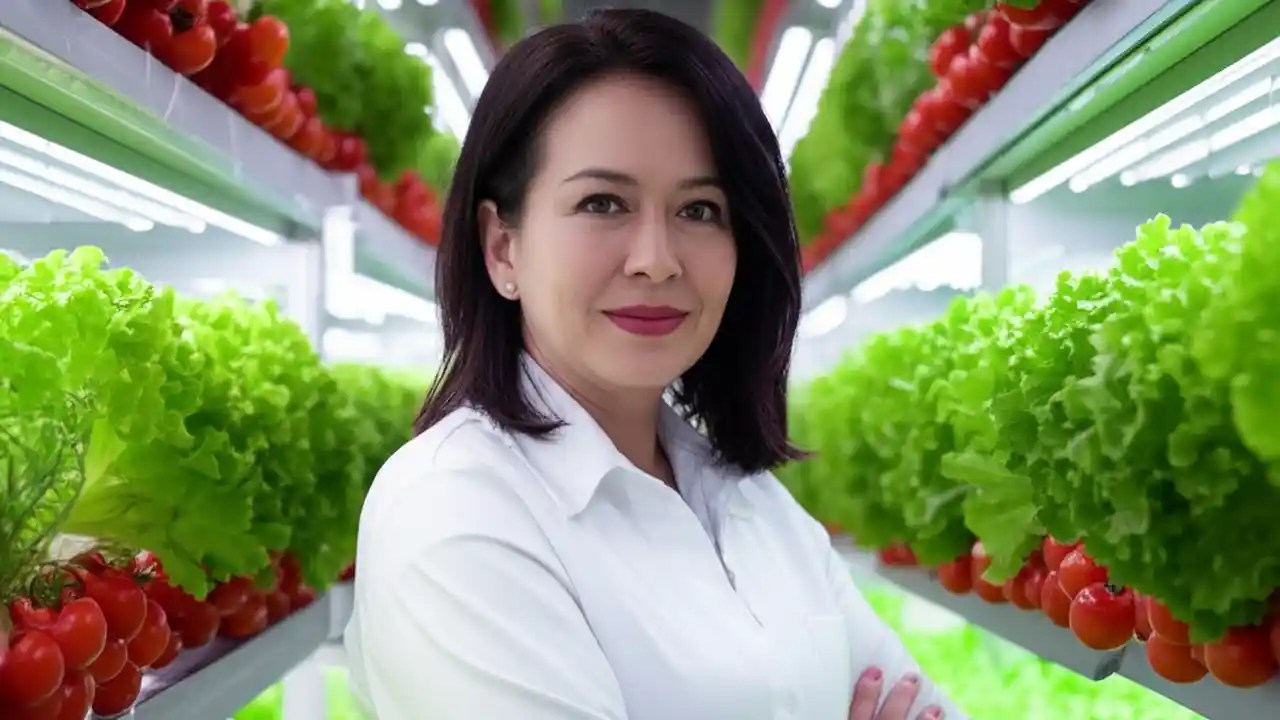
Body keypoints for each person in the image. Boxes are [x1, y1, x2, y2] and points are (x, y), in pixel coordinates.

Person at [344, 8, 963, 720]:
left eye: (700, 211)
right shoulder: (453, 509)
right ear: (502, 248)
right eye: (602, 202)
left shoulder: (745, 495)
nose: (657, 260)